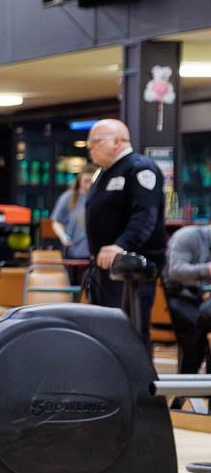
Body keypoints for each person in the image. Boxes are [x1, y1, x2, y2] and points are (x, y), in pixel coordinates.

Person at [84, 119, 166, 326]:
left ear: (117, 141)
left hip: (130, 268)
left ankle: (135, 361)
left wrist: (121, 245)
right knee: (104, 330)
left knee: (129, 331)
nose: (89, 147)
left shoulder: (140, 168)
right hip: (103, 265)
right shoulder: (103, 172)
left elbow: (145, 216)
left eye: (95, 141)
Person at [163, 224, 211, 406]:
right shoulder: (188, 236)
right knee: (199, 328)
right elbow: (175, 270)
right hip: (173, 297)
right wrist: (206, 270)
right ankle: (183, 393)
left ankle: (204, 390)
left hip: (200, 300)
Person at [51, 173, 92, 260]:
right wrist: (63, 236)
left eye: (92, 181)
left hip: (93, 252)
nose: (89, 184)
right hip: (73, 249)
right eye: (86, 181)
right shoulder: (68, 197)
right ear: (80, 181)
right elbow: (56, 221)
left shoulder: (98, 197)